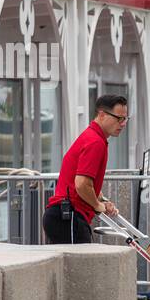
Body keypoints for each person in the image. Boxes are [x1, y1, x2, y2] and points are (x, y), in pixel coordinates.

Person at [42, 94, 126, 244]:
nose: (123, 123)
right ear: (102, 115)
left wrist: (103, 201)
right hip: (68, 216)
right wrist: (97, 205)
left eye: (125, 119)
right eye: (119, 118)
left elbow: (88, 184)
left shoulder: (93, 138)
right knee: (81, 267)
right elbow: (81, 183)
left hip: (66, 215)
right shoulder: (95, 142)